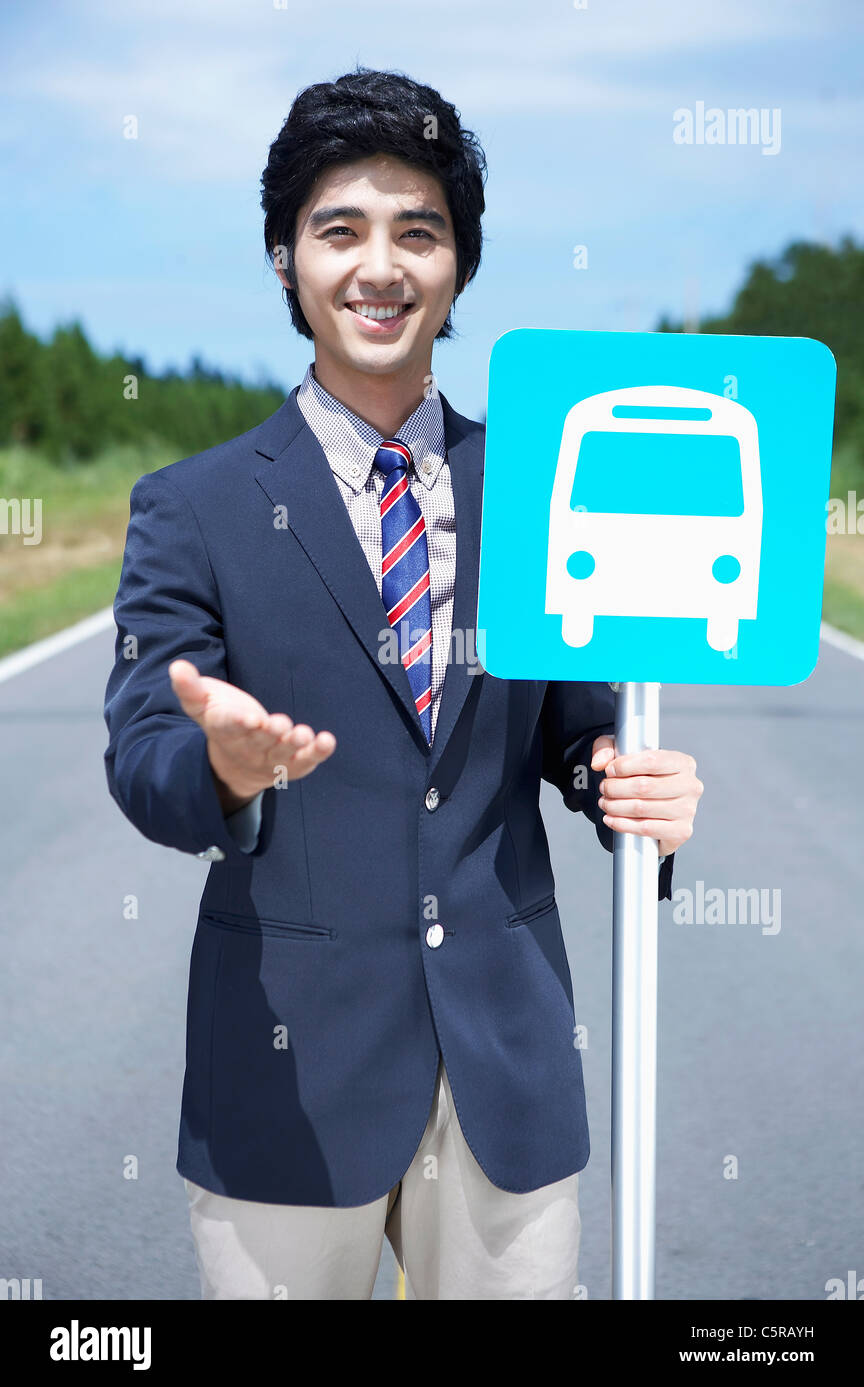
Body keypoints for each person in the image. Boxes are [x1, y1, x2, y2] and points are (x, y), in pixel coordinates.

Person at [103, 65, 703, 1301]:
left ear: (459, 268)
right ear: (285, 258)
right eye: (340, 230)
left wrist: (619, 782)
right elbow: (148, 753)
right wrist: (220, 764)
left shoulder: (543, 485)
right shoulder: (194, 507)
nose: (380, 266)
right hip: (287, 1084)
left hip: (505, 1074)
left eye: (417, 232)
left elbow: (578, 726)